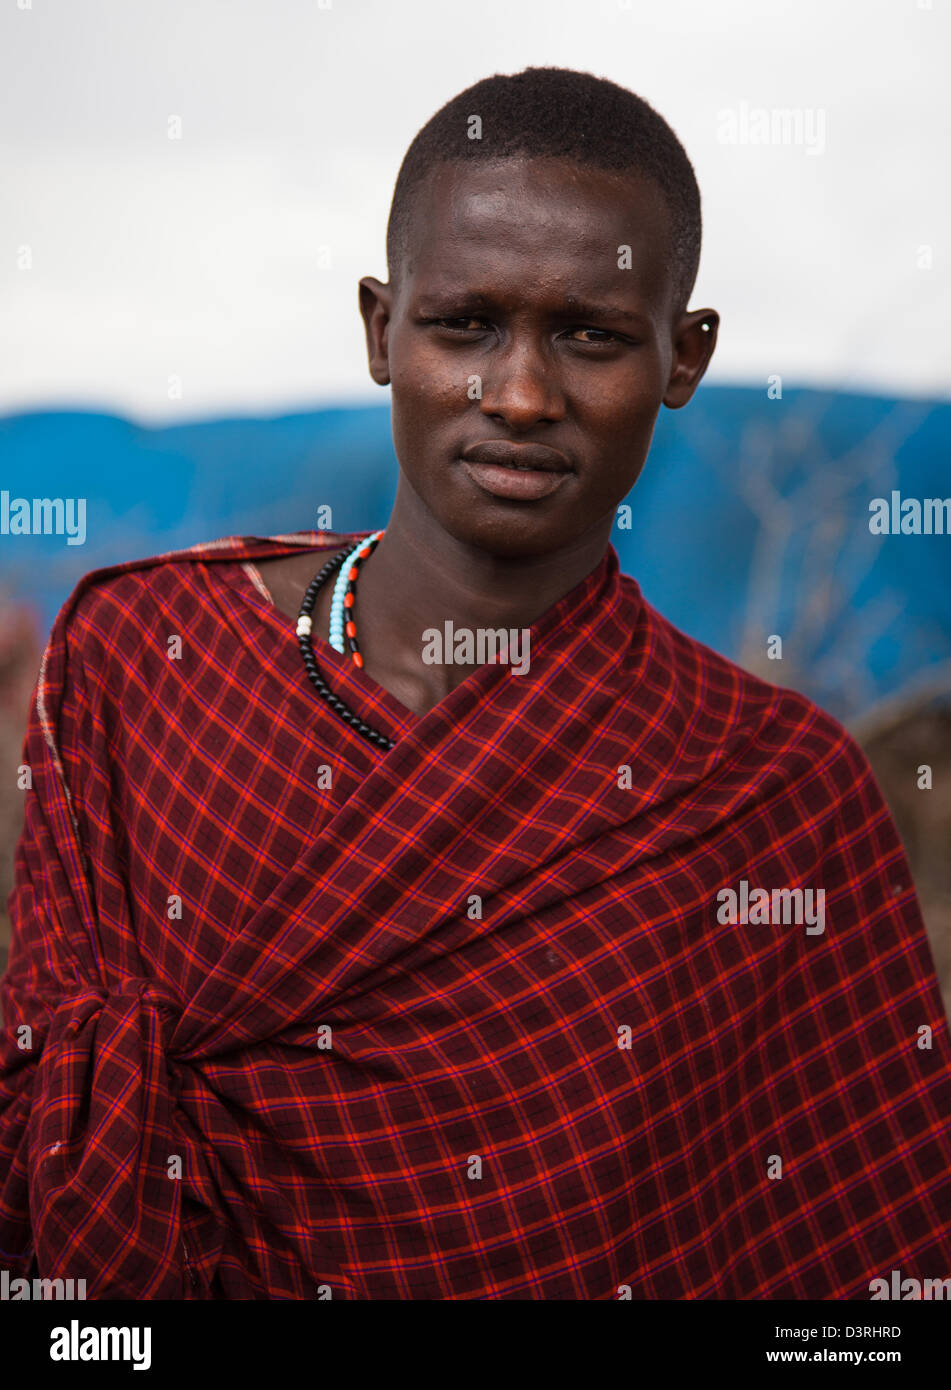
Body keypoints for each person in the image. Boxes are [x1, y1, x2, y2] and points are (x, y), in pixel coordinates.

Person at [1, 66, 949, 1300]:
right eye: (466, 325)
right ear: (380, 328)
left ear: (687, 355)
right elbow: (42, 1090)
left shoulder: (767, 791)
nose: (520, 395)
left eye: (592, 335)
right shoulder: (141, 653)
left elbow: (848, 1260)